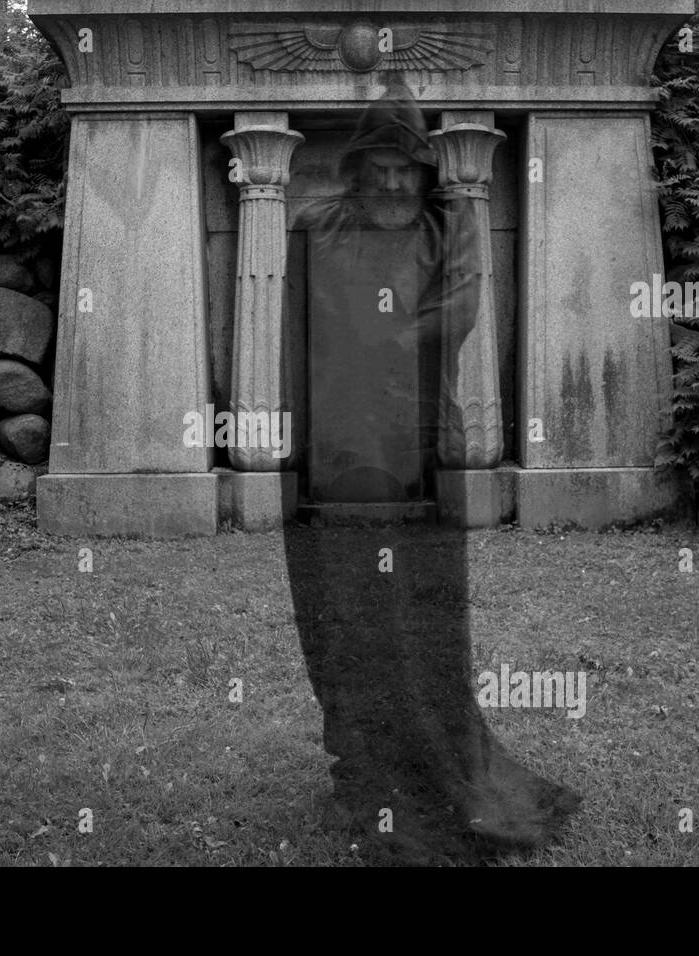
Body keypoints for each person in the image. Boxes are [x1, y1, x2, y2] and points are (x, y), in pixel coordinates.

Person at [284, 78, 581, 864]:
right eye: (377, 165)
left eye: (405, 168)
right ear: (355, 169)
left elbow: (456, 313)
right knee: (341, 616)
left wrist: (370, 344)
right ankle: (364, 764)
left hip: (416, 452)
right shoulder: (311, 227)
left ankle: (435, 759)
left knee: (421, 617)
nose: (390, 181)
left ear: (424, 172)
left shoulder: (452, 228)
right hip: (330, 463)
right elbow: (297, 339)